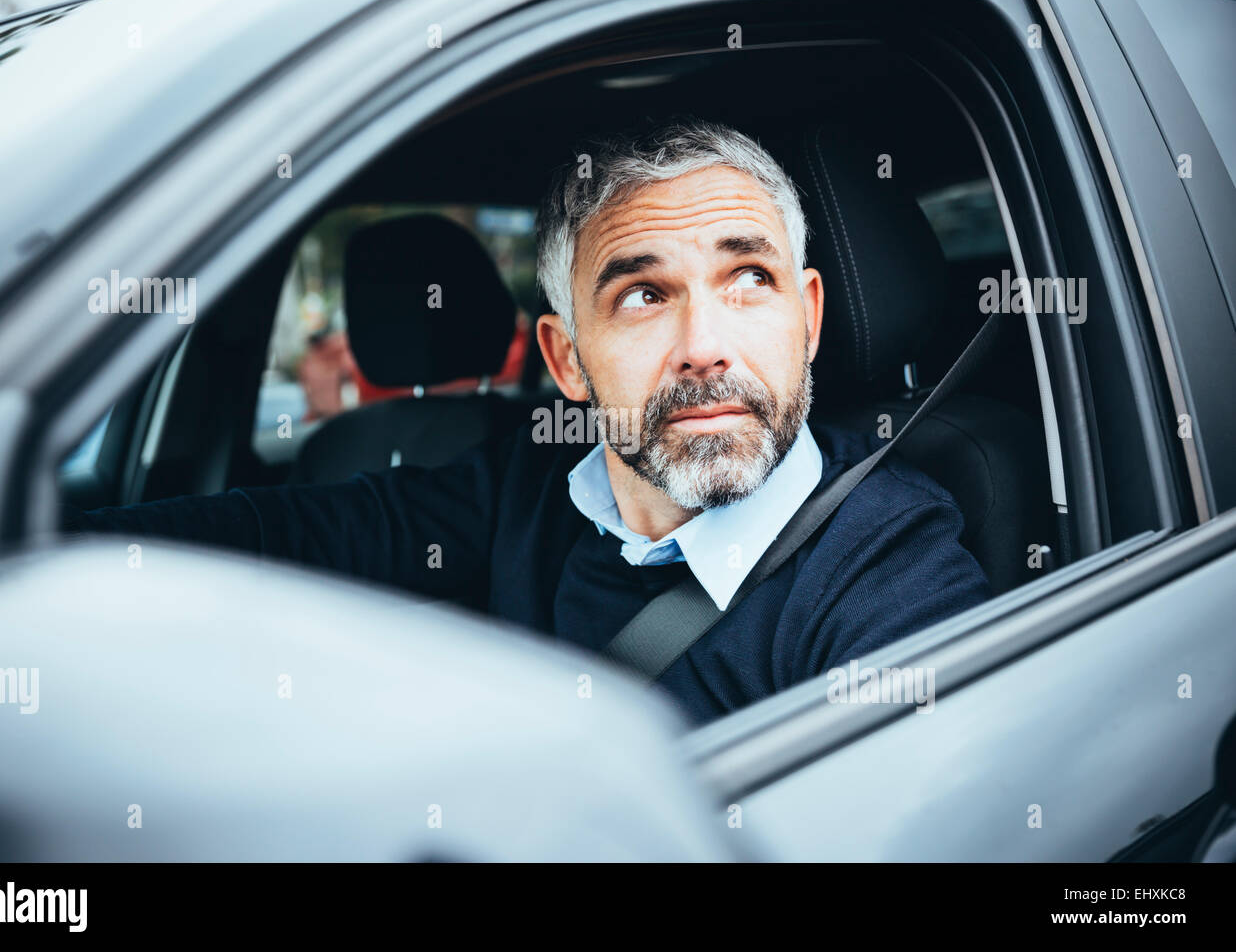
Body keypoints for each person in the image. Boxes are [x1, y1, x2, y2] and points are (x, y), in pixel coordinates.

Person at [64, 118, 990, 726]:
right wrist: (21, 552)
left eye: (749, 280)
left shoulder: (889, 570)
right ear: (565, 361)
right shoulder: (533, 486)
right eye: (642, 293)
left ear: (811, 318)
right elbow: (296, 530)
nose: (706, 345)